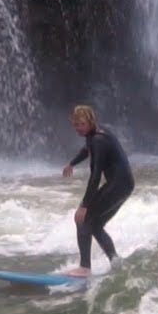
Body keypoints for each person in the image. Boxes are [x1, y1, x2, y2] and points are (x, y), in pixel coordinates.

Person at [61, 105, 135, 276]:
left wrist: (84, 205)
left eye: (81, 124)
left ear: (90, 122)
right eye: (75, 125)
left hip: (118, 184)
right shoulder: (95, 135)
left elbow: (95, 176)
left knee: (82, 219)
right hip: (125, 184)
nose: (78, 128)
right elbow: (86, 150)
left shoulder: (98, 140)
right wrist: (72, 163)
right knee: (95, 225)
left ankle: (85, 268)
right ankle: (115, 262)